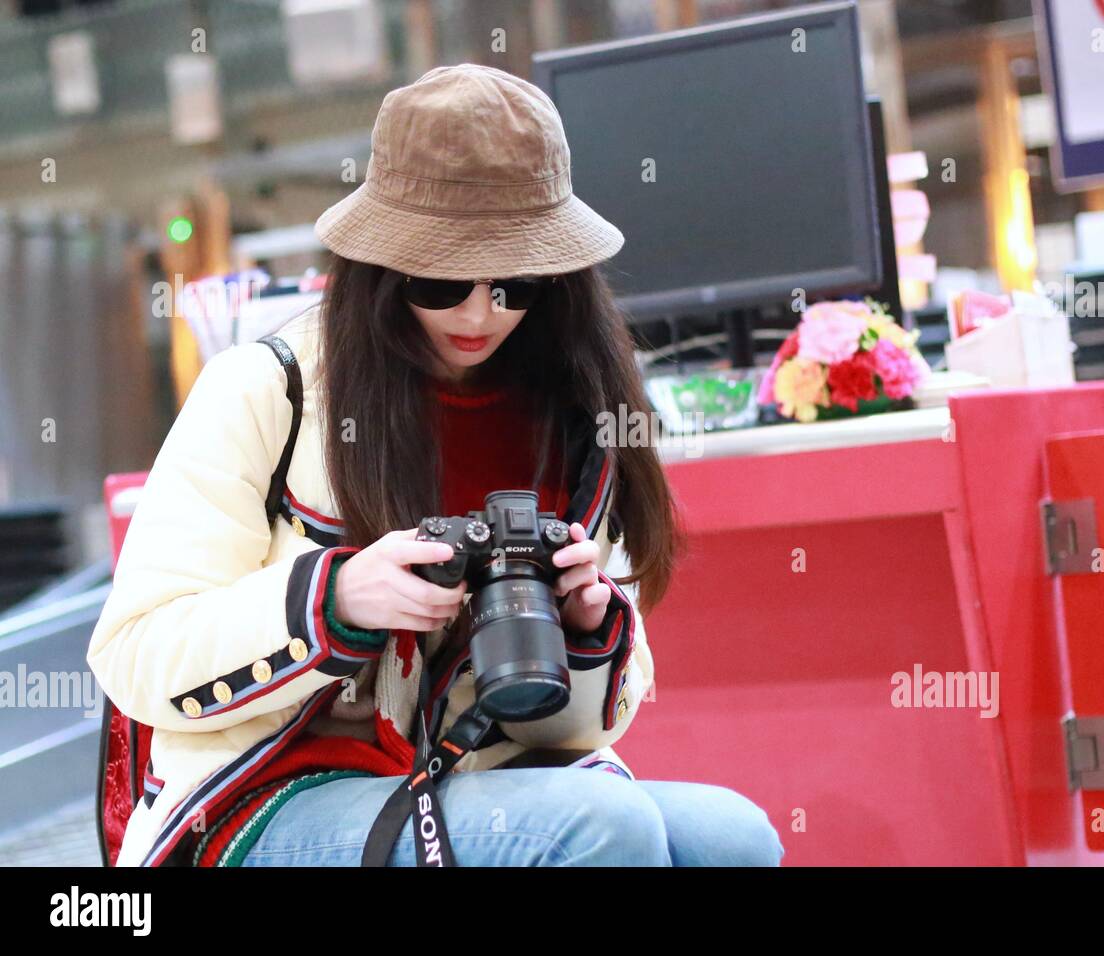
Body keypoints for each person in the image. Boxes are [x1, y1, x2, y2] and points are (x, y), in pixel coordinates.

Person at [88, 63, 784, 868]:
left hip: (473, 773)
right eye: (444, 279)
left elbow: (580, 734)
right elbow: (134, 651)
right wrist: (336, 598)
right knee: (601, 825)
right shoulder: (267, 388)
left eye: (517, 282)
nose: (481, 313)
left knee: (734, 837)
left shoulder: (573, 408)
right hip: (261, 795)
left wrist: (587, 634)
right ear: (381, 266)